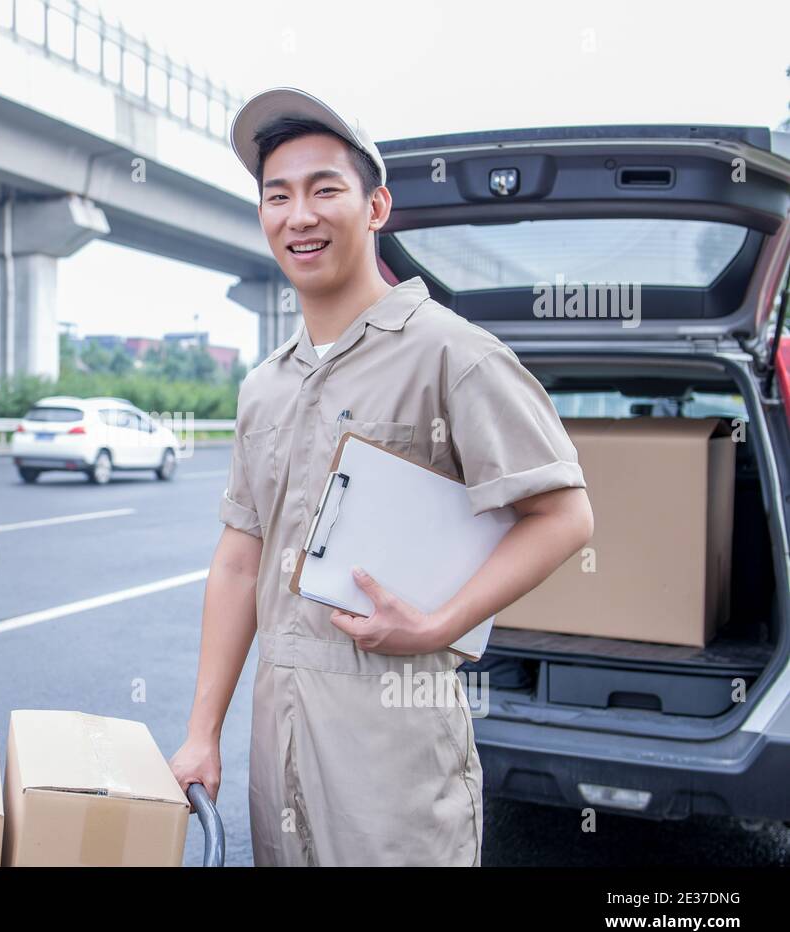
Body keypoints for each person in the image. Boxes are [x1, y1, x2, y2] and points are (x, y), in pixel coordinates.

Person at [168, 87, 595, 866]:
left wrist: (437, 623)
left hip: (393, 757)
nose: (299, 214)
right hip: (280, 740)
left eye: (325, 189)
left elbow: (564, 515)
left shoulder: (450, 354)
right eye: (277, 195)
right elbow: (238, 562)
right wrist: (202, 735)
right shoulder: (265, 386)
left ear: (375, 208)